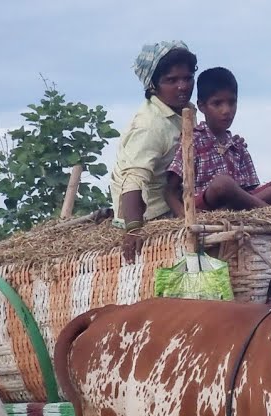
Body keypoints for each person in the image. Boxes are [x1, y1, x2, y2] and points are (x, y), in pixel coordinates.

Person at [164, 67, 271, 213]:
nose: (226, 110)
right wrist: (184, 217)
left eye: (232, 103)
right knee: (223, 183)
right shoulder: (192, 140)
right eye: (217, 104)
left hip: (241, 204)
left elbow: (250, 191)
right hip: (205, 207)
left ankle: (237, 212)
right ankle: (269, 212)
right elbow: (170, 191)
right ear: (201, 106)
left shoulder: (238, 146)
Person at [109, 41, 198, 261]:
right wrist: (134, 229)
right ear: (153, 85)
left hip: (180, 201)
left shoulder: (187, 111)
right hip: (154, 215)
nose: (183, 86)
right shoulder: (150, 126)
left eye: (187, 78)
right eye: (171, 80)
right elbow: (132, 181)